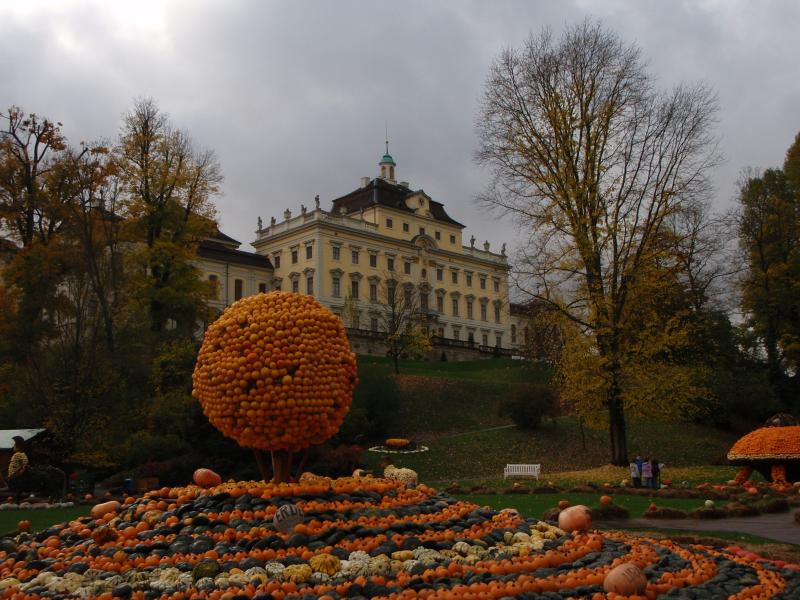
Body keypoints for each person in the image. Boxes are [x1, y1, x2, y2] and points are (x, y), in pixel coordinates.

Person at [7, 436, 31, 503]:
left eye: (16, 444)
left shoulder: (20, 455)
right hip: (13, 476)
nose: (14, 446)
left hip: (16, 477)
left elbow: (24, 466)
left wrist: (17, 475)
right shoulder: (17, 454)